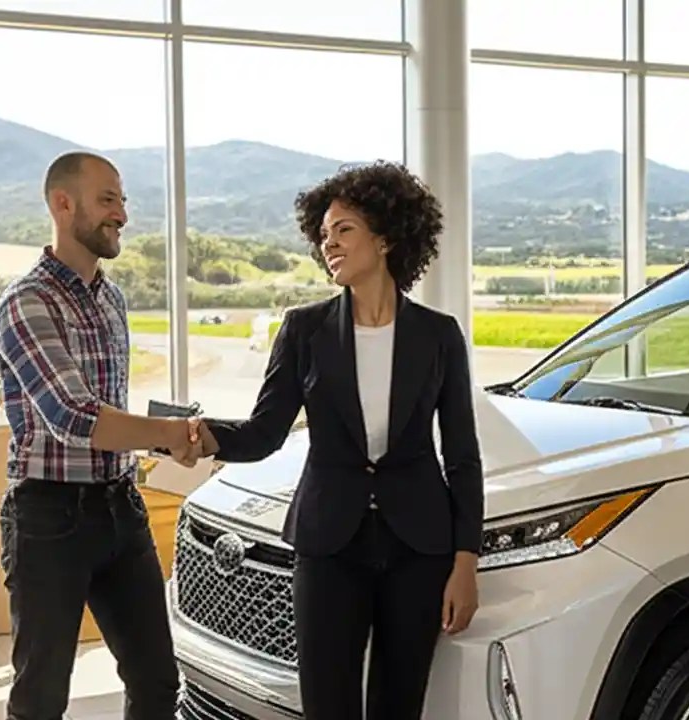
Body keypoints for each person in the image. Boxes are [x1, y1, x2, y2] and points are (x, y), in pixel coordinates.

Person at [182, 161, 484, 720]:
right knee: (326, 705)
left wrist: (466, 561)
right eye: (323, 234)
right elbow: (263, 432)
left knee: (400, 705)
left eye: (344, 229)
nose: (330, 244)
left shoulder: (439, 336)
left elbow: (462, 455)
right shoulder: (304, 330)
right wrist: (198, 438)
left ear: (386, 237)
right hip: (328, 546)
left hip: (419, 549)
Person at [0, 151, 199, 720]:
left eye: (122, 201)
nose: (122, 215)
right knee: (41, 698)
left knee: (157, 681)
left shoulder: (112, 300)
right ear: (63, 204)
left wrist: (163, 440)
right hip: (49, 518)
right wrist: (170, 432)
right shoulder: (26, 302)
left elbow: (108, 412)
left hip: (121, 507)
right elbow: (73, 415)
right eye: (108, 200)